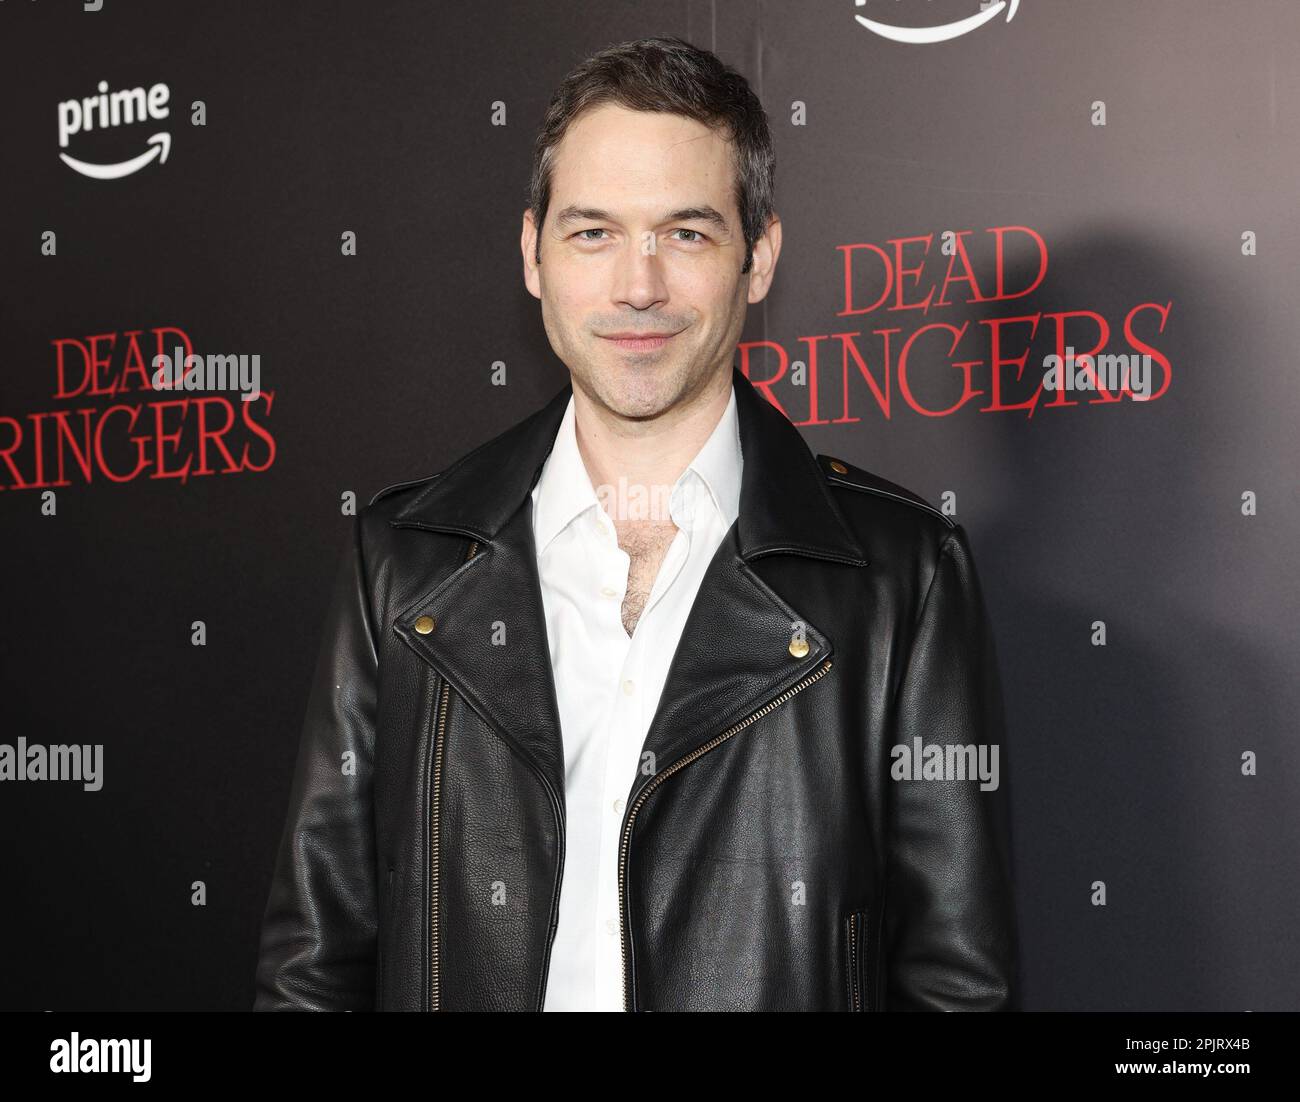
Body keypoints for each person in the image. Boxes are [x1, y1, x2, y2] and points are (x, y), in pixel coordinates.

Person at [253, 34, 1016, 1012]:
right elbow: (311, 966)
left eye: (686, 233)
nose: (637, 286)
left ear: (760, 255)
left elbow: (955, 984)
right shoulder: (405, 558)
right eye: (593, 233)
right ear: (532, 255)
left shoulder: (899, 575)